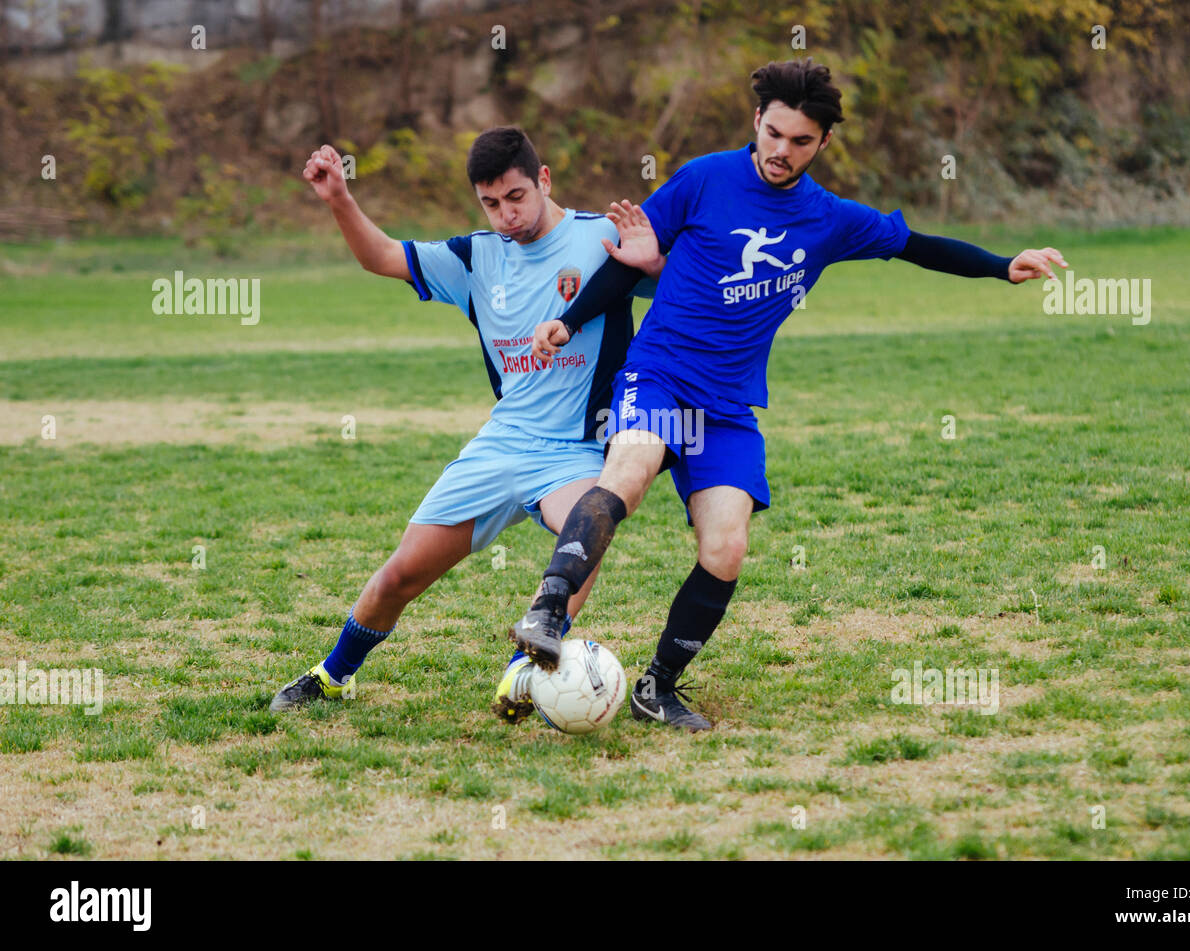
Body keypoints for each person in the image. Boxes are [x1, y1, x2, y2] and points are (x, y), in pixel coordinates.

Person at [507, 59, 1069, 731]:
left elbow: (916, 245)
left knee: (726, 549)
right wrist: (568, 321)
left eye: (800, 141)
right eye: (774, 133)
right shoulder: (704, 178)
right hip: (659, 375)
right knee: (625, 476)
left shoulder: (829, 218)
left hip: (727, 409)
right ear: (757, 122)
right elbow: (629, 261)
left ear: (823, 143)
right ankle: (548, 608)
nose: (782, 151)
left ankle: (658, 686)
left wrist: (1000, 265)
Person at [271, 127, 657, 725]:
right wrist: (340, 201)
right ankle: (334, 673)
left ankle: (523, 663)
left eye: (517, 197)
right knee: (401, 573)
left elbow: (678, 280)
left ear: (545, 179)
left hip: (577, 451)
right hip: (501, 445)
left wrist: (661, 252)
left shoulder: (601, 237)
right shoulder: (475, 257)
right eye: (491, 203)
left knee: (586, 530)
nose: (507, 216)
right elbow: (382, 257)